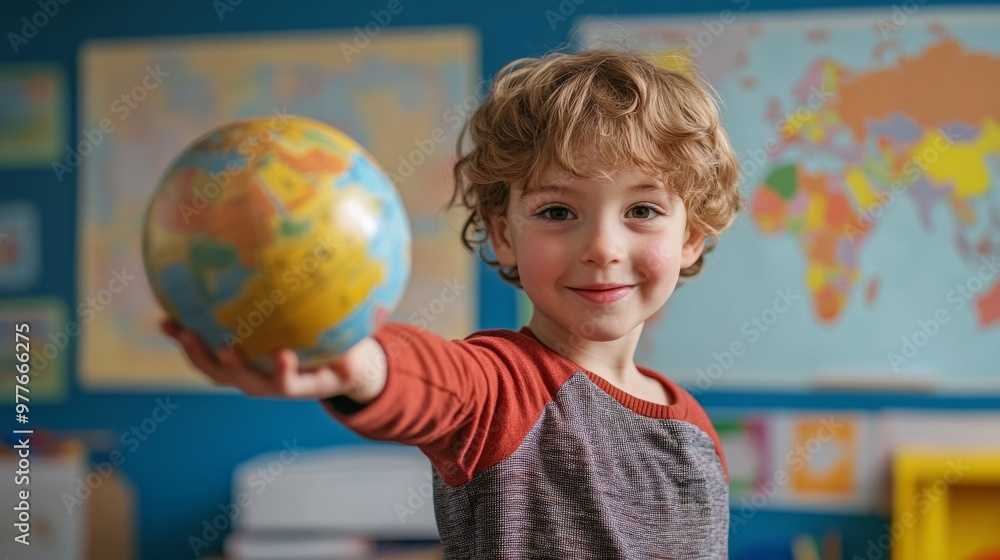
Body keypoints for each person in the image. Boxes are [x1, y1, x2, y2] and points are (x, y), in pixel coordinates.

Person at [163, 47, 743, 558]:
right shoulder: (502, 390)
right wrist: (353, 358)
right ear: (503, 236)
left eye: (642, 210)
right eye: (557, 212)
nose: (603, 248)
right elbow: (436, 383)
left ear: (691, 235)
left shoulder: (692, 428)